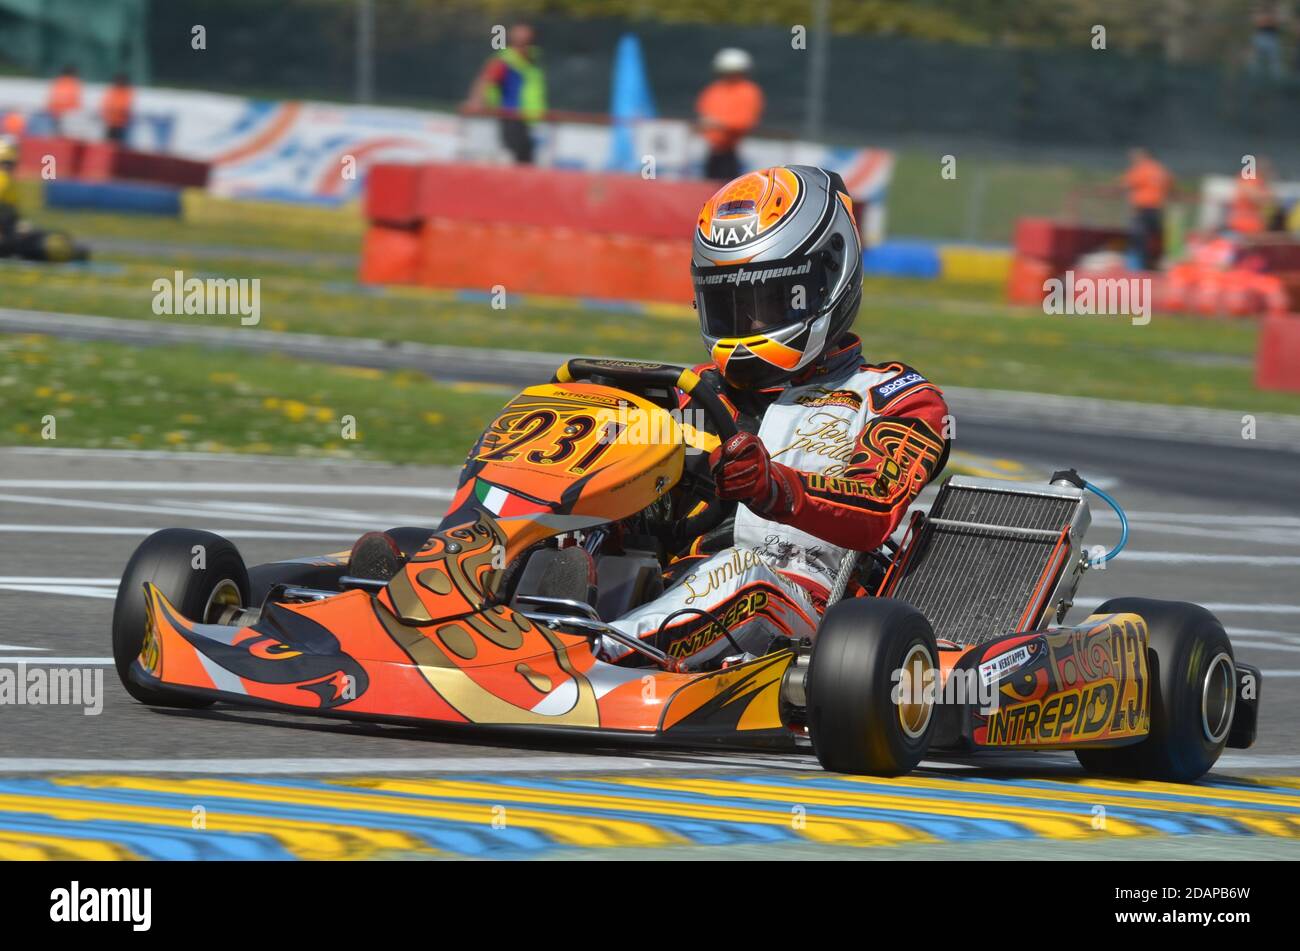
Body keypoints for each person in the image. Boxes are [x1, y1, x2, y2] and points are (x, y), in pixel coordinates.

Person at [600, 165, 950, 668]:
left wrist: (775, 487)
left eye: (764, 301)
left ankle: (598, 656)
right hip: (664, 586)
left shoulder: (895, 397)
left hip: (810, 617)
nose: (746, 322)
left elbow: (877, 505)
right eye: (728, 304)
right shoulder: (688, 392)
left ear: (826, 279)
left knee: (743, 573)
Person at [463, 24, 547, 164]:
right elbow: (485, 80)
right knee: (514, 160)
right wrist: (476, 101)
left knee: (527, 161)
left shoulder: (533, 61)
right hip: (510, 119)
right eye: (520, 42)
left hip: (530, 121)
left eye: (527, 42)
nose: (524, 46)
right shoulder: (504, 61)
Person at [695, 48, 764, 181]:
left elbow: (745, 121)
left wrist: (719, 124)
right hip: (712, 150)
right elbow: (703, 114)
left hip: (733, 151)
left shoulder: (748, 91)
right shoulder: (715, 90)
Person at [1120, 148, 1173, 270]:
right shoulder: (1161, 170)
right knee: (1158, 237)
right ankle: (1158, 263)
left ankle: (1138, 266)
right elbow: (1170, 186)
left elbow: (1126, 184)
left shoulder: (1140, 170)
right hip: (1158, 208)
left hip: (1142, 209)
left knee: (1138, 238)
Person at [46, 65, 82, 135]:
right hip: (68, 117)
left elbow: (51, 100)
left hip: (54, 114)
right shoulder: (74, 84)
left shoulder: (57, 82)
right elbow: (77, 103)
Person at [101, 73, 133, 145]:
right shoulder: (112, 91)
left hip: (121, 124)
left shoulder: (127, 92)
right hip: (111, 123)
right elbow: (106, 105)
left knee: (120, 144)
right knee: (109, 143)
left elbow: (125, 107)